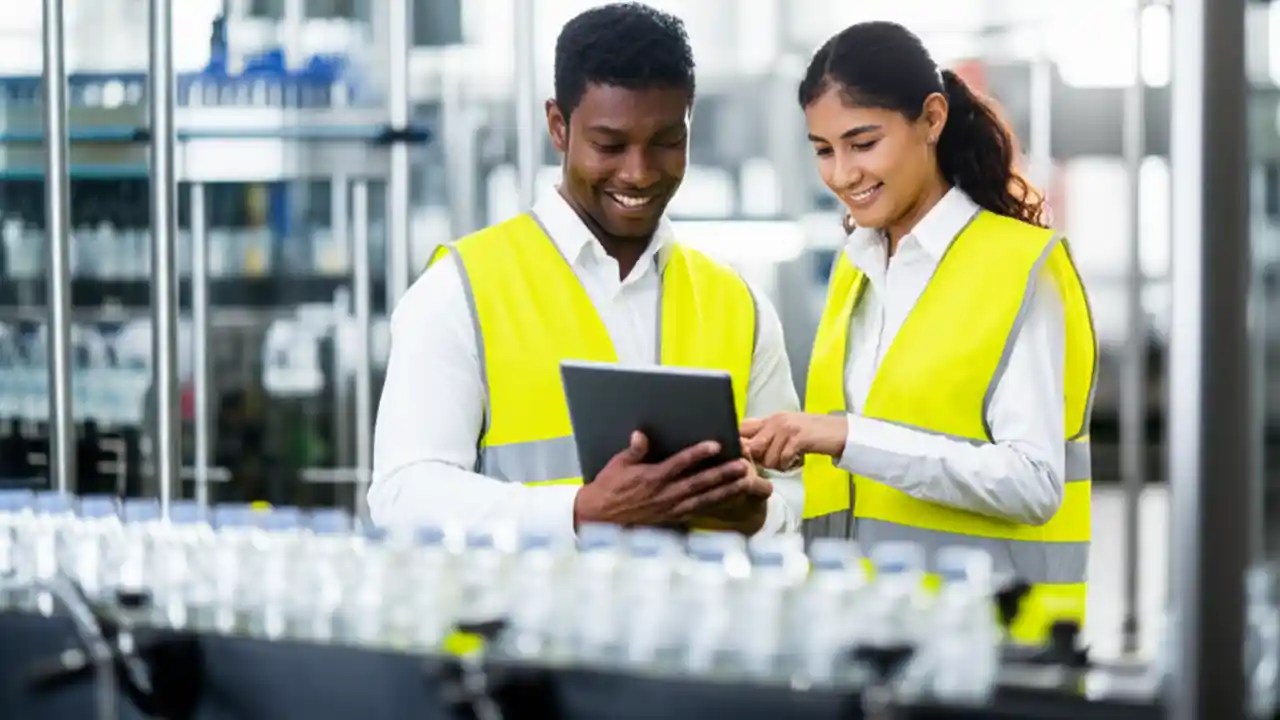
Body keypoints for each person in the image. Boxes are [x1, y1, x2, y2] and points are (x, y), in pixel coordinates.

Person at [369, 2, 802, 540]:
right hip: (518, 622)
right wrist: (578, 510)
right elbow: (402, 494)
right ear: (558, 125)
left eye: (667, 142)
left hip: (694, 622)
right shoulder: (459, 292)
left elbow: (791, 503)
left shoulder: (740, 305)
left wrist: (759, 515)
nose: (638, 172)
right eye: (609, 145)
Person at [741, 21, 1097, 643]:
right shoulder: (856, 275)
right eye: (824, 150)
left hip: (989, 644)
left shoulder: (1018, 268)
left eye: (863, 142)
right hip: (862, 637)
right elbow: (853, 495)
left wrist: (847, 436)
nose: (843, 173)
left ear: (931, 119)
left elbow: (1035, 483)